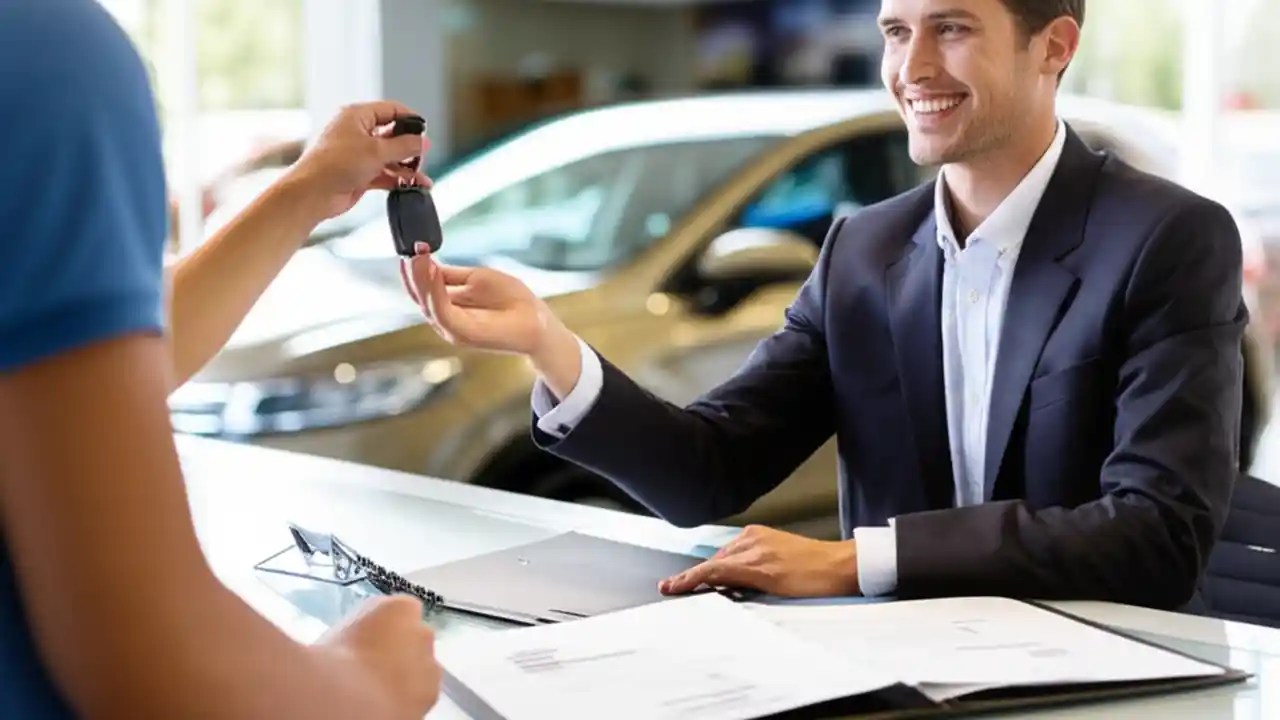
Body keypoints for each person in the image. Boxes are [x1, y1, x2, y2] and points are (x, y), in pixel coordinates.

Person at [402, 0, 1244, 611]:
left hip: (1114, 669)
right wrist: (549, 344)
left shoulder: (1168, 239)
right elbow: (710, 468)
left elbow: (1157, 537)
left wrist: (853, 562)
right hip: (892, 676)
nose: (911, 69)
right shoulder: (863, 253)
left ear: (1053, 46)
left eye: (950, 29)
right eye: (895, 31)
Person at [0, 1, 442, 717]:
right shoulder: (49, 50)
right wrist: (369, 682)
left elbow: (73, 375)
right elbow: (159, 663)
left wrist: (306, 189)